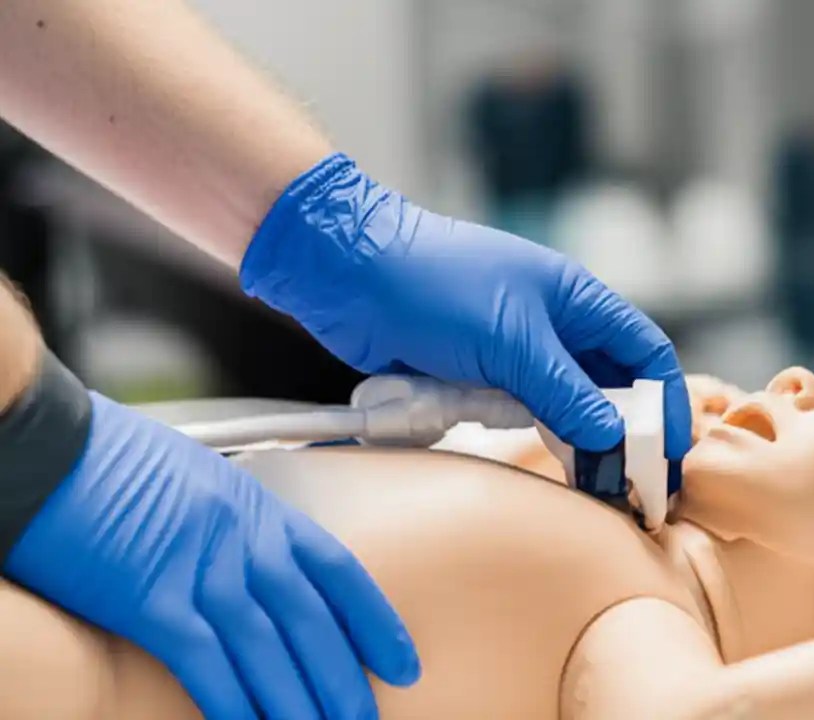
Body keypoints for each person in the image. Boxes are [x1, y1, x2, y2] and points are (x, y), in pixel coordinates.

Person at [0, 2, 692, 718]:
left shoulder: (638, 593)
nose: (755, 403)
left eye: (759, 401)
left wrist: (328, 223)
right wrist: (30, 434)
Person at [0, 366, 814, 718]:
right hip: (71, 534)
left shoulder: (644, 621)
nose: (795, 381)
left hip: (104, 674)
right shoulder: (612, 517)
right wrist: (566, 438)